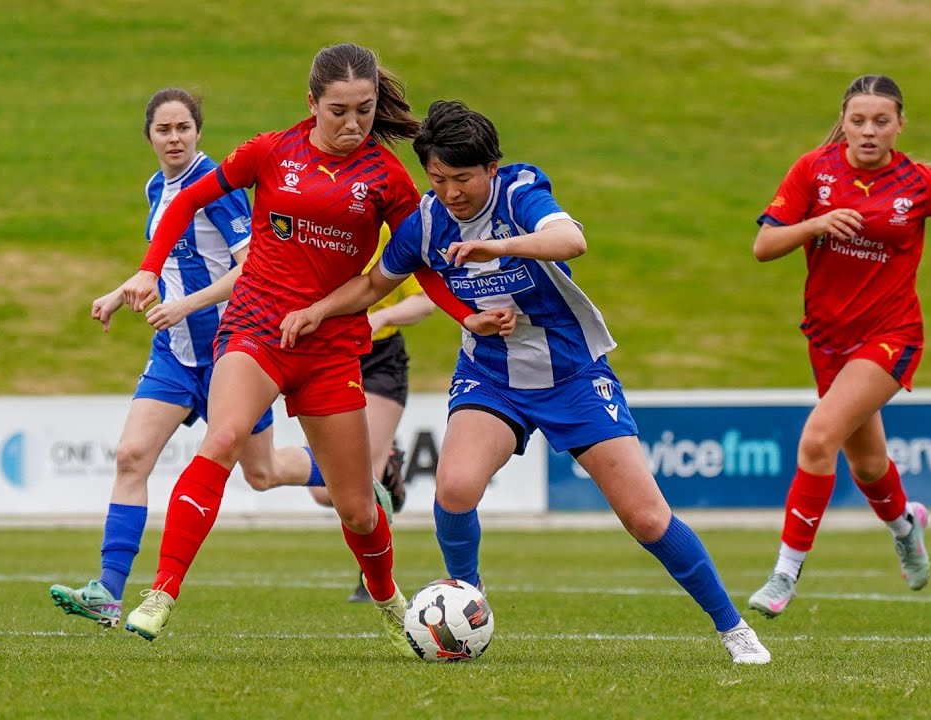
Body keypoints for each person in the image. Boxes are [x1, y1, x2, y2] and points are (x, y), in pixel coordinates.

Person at [280, 100, 772, 665]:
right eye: (437, 179)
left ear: (491, 167)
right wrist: (318, 311)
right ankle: (469, 608)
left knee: (646, 517)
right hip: (490, 376)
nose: (450, 192)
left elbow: (570, 240)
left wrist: (500, 246)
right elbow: (372, 286)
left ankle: (734, 629)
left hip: (573, 374)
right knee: (455, 487)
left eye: (462, 178)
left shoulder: (519, 191)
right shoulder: (426, 222)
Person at [114, 46, 512, 651]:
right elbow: (190, 201)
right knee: (224, 439)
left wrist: (465, 315)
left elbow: (420, 259)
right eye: (339, 111)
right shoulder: (272, 150)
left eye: (365, 110)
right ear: (312, 104)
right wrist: (148, 269)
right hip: (255, 326)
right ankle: (162, 590)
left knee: (355, 507)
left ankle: (386, 597)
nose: (353, 124)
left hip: (330, 347)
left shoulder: (386, 177)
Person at [49, 88, 353, 628]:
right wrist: (122, 292)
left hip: (231, 351)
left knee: (260, 472)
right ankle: (108, 591)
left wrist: (183, 305)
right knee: (130, 456)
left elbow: (250, 268)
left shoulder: (218, 188)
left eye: (183, 128)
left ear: (198, 132)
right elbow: (164, 264)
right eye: (164, 130)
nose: (173, 138)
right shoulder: (155, 188)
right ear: (148, 136)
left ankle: (355, 477)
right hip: (174, 353)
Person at [745, 74, 931, 618]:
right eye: (858, 120)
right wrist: (816, 224)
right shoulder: (814, 170)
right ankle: (906, 525)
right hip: (827, 338)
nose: (869, 131)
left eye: (881, 121)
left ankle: (784, 575)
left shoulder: (923, 181)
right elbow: (763, 245)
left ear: (899, 124)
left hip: (892, 336)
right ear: (844, 123)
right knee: (869, 463)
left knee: (818, 437)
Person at [311, 227, 435, 602]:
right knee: (321, 491)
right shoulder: (315, 231)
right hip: (330, 355)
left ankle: (374, 578)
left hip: (381, 360)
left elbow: (425, 301)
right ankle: (389, 465)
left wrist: (382, 318)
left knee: (366, 477)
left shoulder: (387, 234)